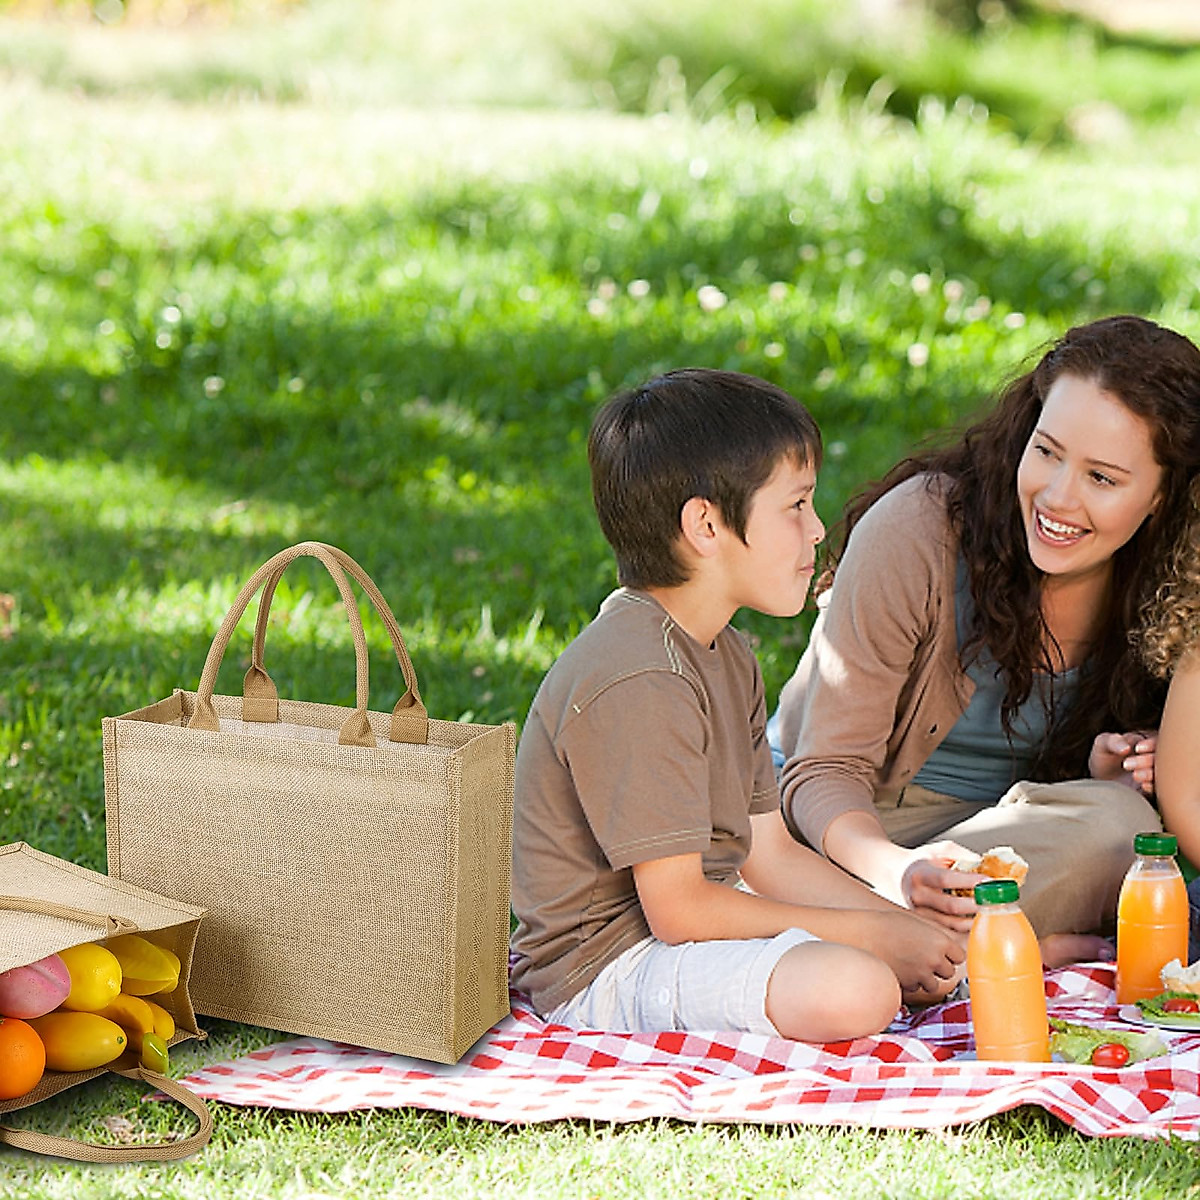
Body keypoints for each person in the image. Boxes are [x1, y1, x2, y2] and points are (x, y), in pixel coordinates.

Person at [510, 368, 965, 1044]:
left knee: (895, 956)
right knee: (858, 985)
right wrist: (872, 933)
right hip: (603, 968)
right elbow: (679, 911)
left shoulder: (726, 653)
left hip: (691, 929)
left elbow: (769, 852)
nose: (817, 531)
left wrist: (896, 922)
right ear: (706, 524)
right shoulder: (642, 676)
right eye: (796, 506)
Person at [772, 315, 1200, 963]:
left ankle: (891, 940)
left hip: (1003, 849)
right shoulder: (919, 531)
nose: (1057, 498)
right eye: (1047, 450)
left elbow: (1047, 809)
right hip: (846, 831)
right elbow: (821, 772)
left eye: (1102, 478)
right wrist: (897, 872)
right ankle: (985, 943)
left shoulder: (1173, 587)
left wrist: (1103, 770)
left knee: (1124, 826)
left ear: (1164, 496)